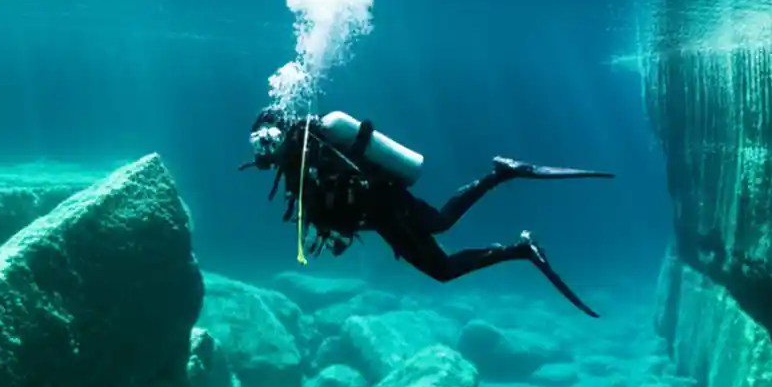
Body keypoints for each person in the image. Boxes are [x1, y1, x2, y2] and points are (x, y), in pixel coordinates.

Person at [240, 106, 613, 317]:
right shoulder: (299, 165)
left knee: (444, 261)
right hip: (384, 209)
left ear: (276, 133)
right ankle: (505, 187)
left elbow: (340, 191)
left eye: (263, 142)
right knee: (441, 230)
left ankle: (517, 234)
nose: (262, 153)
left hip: (386, 208)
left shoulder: (310, 150)